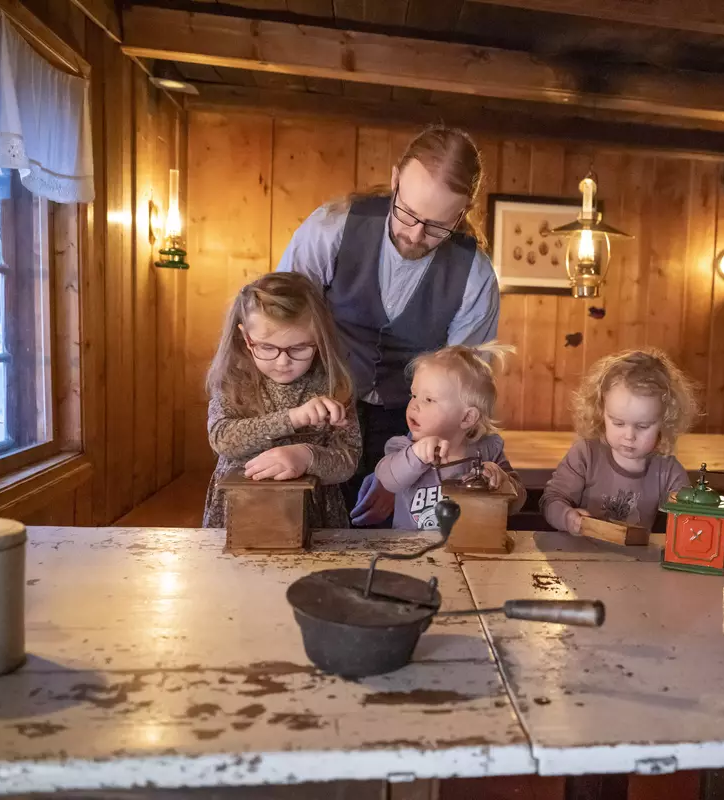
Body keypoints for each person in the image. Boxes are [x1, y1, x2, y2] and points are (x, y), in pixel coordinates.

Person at [276, 125, 500, 524]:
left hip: (413, 421)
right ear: (396, 180)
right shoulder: (330, 228)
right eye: (407, 213)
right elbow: (280, 319)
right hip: (320, 406)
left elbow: (461, 387)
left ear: (462, 212)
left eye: (436, 226)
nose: (415, 234)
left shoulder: (475, 278)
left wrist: (404, 469)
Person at [540, 349, 724, 558]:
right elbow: (551, 501)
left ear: (665, 420)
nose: (629, 436)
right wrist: (567, 517)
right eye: (618, 423)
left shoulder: (667, 471)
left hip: (635, 567)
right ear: (601, 412)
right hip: (578, 561)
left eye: (643, 426)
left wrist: (720, 542)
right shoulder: (585, 454)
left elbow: (693, 521)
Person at [202, 272, 362, 530]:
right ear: (246, 338)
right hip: (239, 510)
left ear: (319, 338)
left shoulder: (335, 385)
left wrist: (307, 456)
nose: (283, 361)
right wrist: (292, 419)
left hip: (314, 514)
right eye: (267, 348)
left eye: (299, 348)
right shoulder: (233, 381)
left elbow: (348, 460)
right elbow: (223, 439)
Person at [373, 343, 525, 530]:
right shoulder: (403, 448)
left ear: (467, 418)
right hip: (411, 547)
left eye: (429, 399)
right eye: (413, 395)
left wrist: (502, 480)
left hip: (471, 546)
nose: (414, 405)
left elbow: (517, 503)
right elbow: (387, 480)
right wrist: (415, 456)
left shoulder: (488, 450)